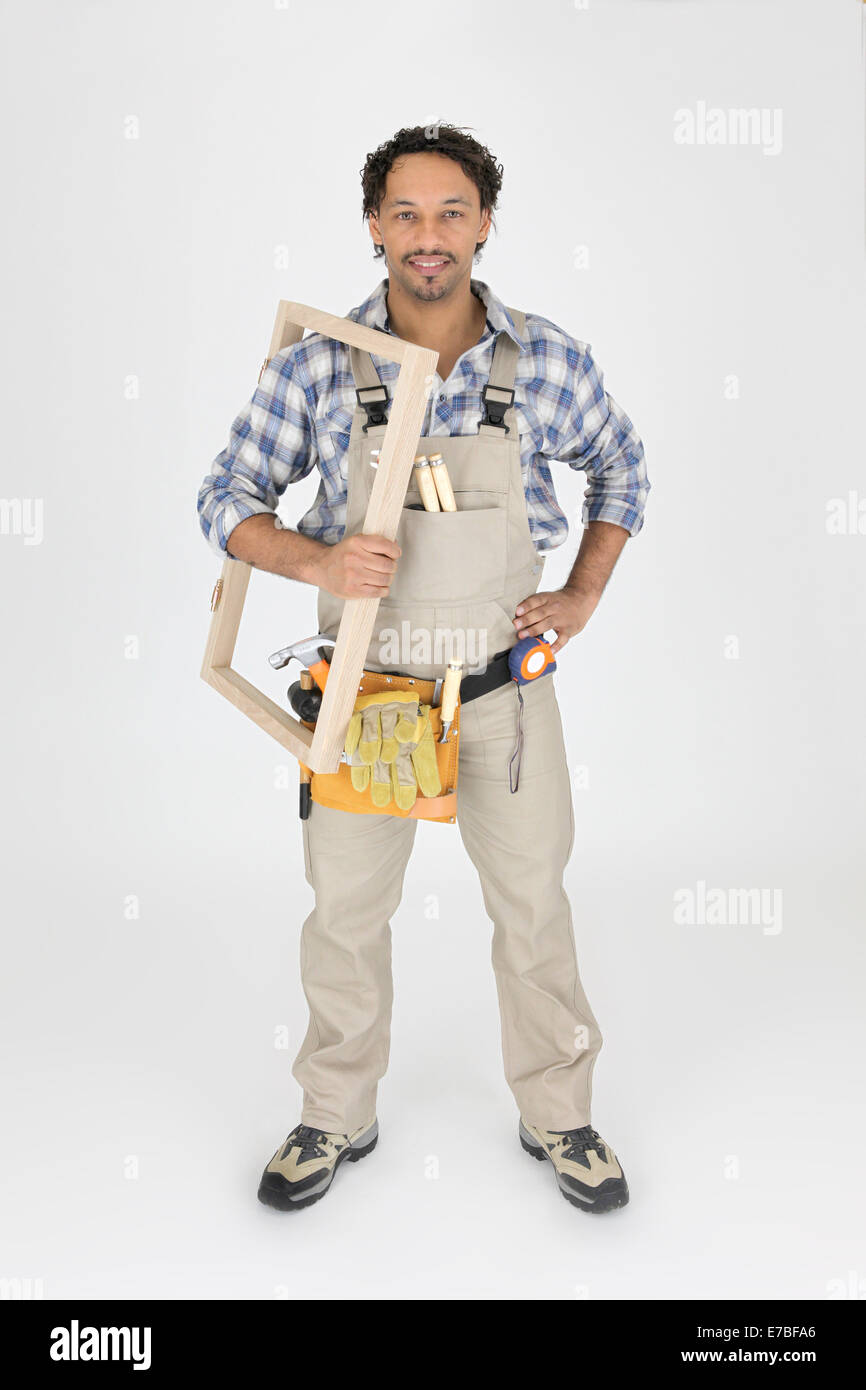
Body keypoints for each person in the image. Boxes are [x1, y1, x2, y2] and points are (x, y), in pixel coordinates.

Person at [197, 123, 650, 1216]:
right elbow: (224, 502)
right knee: (344, 913)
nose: (427, 235)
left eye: (451, 211)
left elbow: (621, 469)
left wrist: (580, 595)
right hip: (362, 696)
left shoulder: (543, 359)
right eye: (404, 213)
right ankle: (333, 1112)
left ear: (485, 222)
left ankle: (559, 1111)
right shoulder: (317, 365)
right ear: (372, 228)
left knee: (533, 904)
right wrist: (318, 556)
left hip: (504, 693)